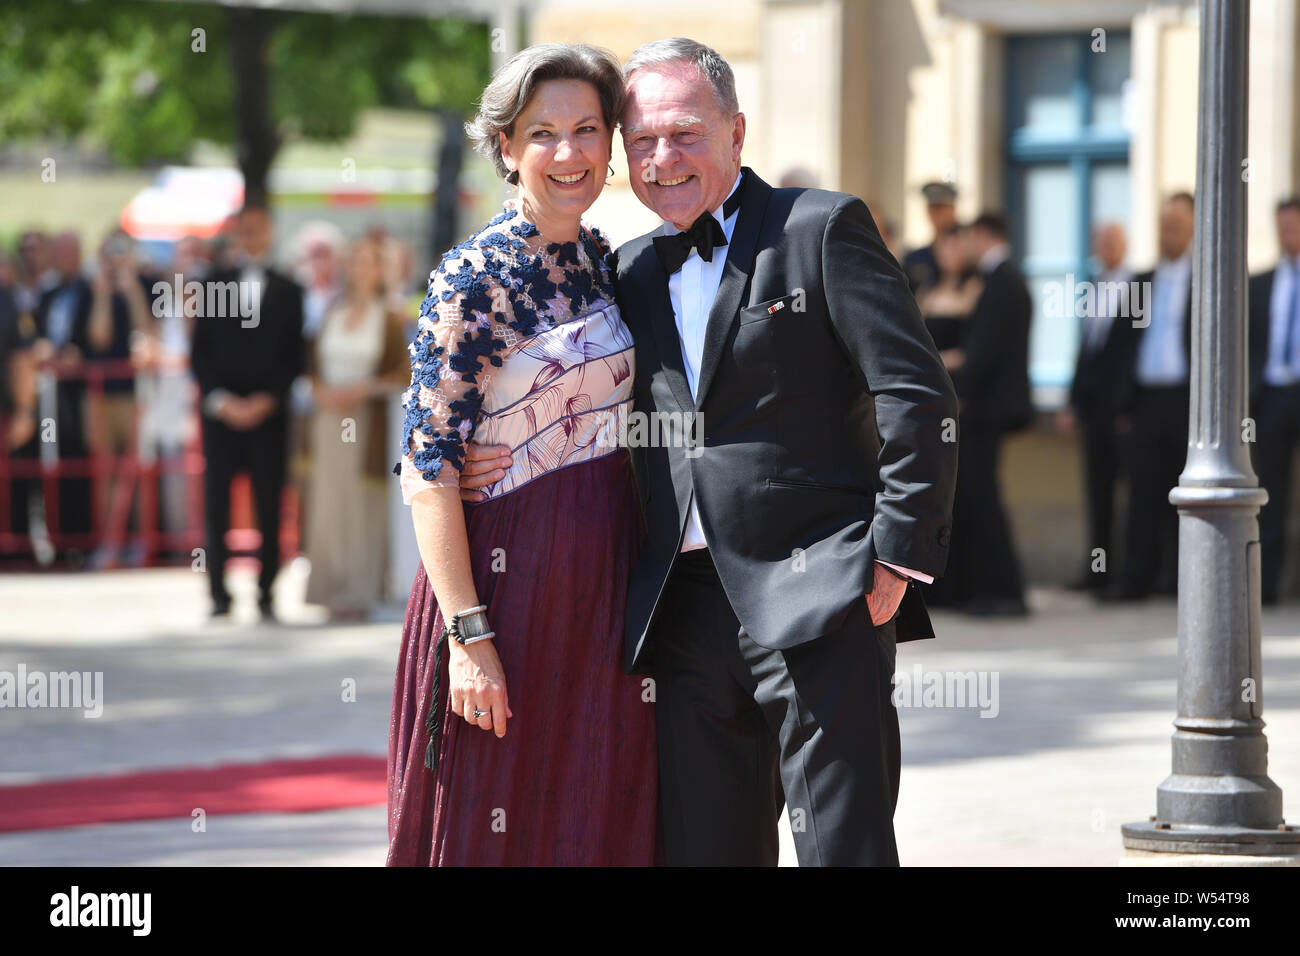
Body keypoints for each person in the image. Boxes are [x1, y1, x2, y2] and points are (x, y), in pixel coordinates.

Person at [462, 37, 958, 866]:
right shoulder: (628, 269)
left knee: (845, 846)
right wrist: (496, 451)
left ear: (737, 131)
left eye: (685, 132)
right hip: (680, 614)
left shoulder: (821, 226)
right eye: (643, 140)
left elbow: (918, 397)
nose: (663, 157)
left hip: (822, 591)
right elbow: (573, 391)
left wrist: (900, 557)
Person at [385, 43, 658, 866]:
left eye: (586, 129)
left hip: (606, 590)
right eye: (543, 133)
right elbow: (426, 471)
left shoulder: (604, 261)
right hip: (502, 590)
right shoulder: (474, 275)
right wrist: (469, 639)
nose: (568, 153)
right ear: (506, 148)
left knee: (591, 810)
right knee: (493, 815)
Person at [190, 203, 305, 620]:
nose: (251, 237)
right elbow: (199, 352)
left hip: (269, 416)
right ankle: (218, 594)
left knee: (269, 502)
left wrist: (267, 399)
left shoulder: (290, 288)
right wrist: (221, 400)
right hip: (221, 416)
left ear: (270, 232)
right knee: (216, 503)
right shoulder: (212, 284)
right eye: (245, 230)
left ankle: (266, 592)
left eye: (259, 229)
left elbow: (295, 354)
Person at [303, 238, 408, 619]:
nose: (362, 269)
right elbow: (313, 361)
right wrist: (322, 392)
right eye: (357, 261)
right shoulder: (333, 310)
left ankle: (362, 588)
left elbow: (402, 371)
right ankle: (329, 588)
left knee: (364, 501)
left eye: (370, 262)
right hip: (328, 417)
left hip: (367, 419)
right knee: (330, 501)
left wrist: (363, 388)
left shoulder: (389, 316)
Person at [943, 212, 1032, 617]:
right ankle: (980, 588)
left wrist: (961, 394)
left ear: (982, 236)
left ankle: (1003, 591)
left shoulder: (1002, 281)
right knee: (978, 496)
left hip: (987, 409)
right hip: (987, 407)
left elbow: (984, 354)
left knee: (984, 498)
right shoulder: (1006, 278)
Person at [1108, 192, 1195, 601]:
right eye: (1164, 224)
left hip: (1188, 403)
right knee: (1142, 493)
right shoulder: (1143, 282)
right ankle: (1136, 578)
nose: (1169, 232)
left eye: (1176, 224)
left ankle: (1182, 581)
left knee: (1187, 495)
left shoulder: (1210, 281)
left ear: (1195, 226)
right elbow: (1122, 347)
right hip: (1146, 402)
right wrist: (1124, 405)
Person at [1059, 222, 1132, 593]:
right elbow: (1086, 351)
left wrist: (1128, 407)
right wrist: (1072, 402)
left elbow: (1131, 357)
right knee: (1097, 492)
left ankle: (1127, 573)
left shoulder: (1138, 286)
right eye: (1101, 243)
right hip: (1093, 409)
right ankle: (1098, 570)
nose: (1106, 248)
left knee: (1130, 494)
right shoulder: (1095, 286)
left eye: (1112, 242)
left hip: (1123, 410)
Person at [915, 222, 981, 607]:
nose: (948, 251)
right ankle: (933, 584)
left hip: (958, 404)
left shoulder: (976, 290)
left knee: (963, 493)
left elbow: (972, 352)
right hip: (927, 404)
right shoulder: (925, 290)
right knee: (931, 490)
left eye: (956, 244)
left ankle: (965, 586)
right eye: (943, 244)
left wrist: (931, 362)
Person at [1249, 197, 1300, 604]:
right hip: (1272, 397)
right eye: (1283, 226)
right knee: (1271, 492)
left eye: (1295, 226)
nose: (1289, 234)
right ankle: (1267, 586)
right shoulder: (1260, 283)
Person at [902, 180, 959, 295]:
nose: (936, 214)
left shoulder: (969, 254)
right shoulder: (916, 258)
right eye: (932, 208)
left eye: (941, 208)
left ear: (953, 209)